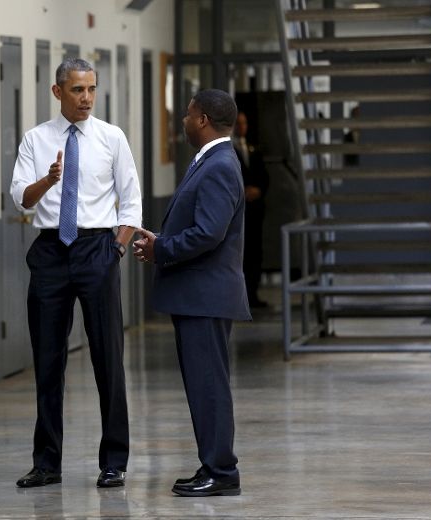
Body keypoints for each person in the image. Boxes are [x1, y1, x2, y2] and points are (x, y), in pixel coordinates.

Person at [10, 58, 142, 489]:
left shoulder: (111, 138)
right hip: (50, 251)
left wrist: (116, 248)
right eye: (76, 90)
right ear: (57, 92)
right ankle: (47, 462)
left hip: (97, 248)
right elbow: (21, 199)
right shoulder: (36, 139)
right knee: (48, 360)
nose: (85, 98)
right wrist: (49, 180)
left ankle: (114, 460)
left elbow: (131, 200)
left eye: (90, 89)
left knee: (107, 357)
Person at [134, 89, 251, 497]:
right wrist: (162, 241)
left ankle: (221, 470)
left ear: (201, 119)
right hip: (199, 295)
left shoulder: (219, 165)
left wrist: (160, 248)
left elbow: (209, 233)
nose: (182, 120)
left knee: (209, 385)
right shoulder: (211, 161)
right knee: (204, 384)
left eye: (186, 114)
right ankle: (213, 465)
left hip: (206, 296)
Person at [234, 111, 269, 308]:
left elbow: (264, 176)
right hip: (240, 211)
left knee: (256, 253)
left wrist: (259, 190)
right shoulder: (229, 150)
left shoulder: (254, 149)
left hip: (255, 210)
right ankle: (240, 296)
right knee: (242, 253)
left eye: (244, 123)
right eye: (238, 123)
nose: (241, 127)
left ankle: (253, 294)